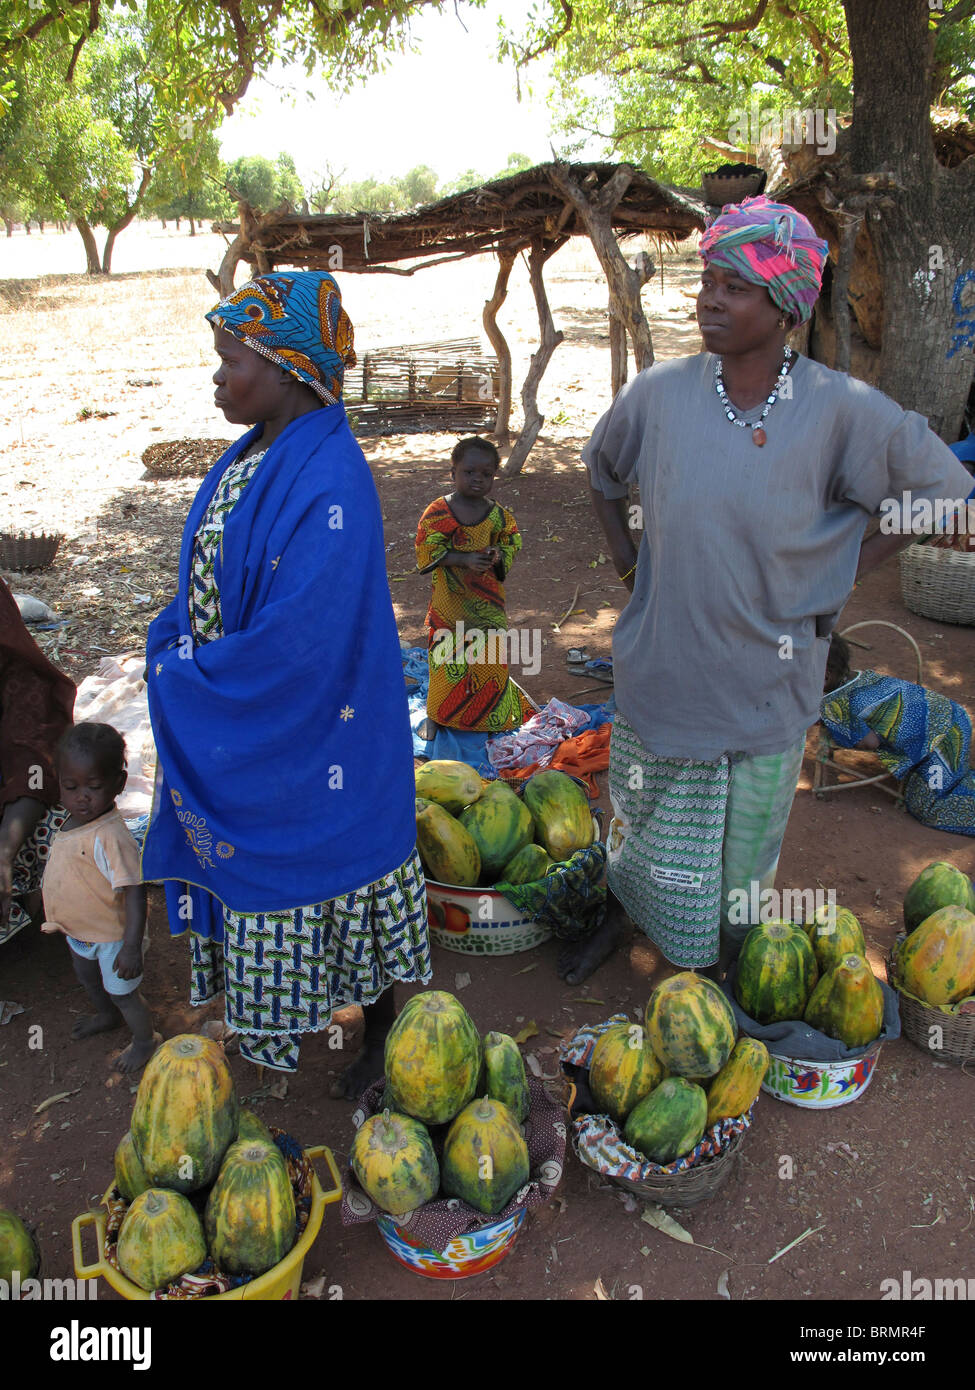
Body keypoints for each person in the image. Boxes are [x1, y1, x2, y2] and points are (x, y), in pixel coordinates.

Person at [560, 194, 975, 985]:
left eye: (734, 286)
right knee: (640, 817)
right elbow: (601, 476)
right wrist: (629, 569)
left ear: (783, 305)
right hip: (664, 664)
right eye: (708, 279)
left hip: (765, 675)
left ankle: (717, 965)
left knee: (739, 853)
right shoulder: (660, 393)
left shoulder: (838, 410)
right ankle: (622, 918)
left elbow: (942, 492)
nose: (710, 297)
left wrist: (846, 562)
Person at [141, 270, 430, 1092]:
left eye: (230, 358)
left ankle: (379, 1036)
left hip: (315, 728)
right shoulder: (257, 451)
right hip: (238, 699)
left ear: (287, 365)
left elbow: (301, 642)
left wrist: (189, 676)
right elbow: (211, 570)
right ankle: (308, 1016)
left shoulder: (331, 480)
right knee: (286, 881)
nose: (216, 375)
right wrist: (174, 640)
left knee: (340, 871)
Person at [40, 723, 156, 1073]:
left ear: (119, 785)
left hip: (112, 937)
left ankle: (145, 1041)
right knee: (87, 977)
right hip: (79, 933)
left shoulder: (111, 837)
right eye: (70, 787)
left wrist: (131, 947)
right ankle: (106, 1016)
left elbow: (135, 893)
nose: (81, 797)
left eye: (94, 787)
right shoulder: (69, 821)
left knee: (124, 993)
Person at [415, 436, 530, 733]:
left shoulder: (499, 516)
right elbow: (426, 548)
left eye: (486, 474)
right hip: (449, 606)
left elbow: (511, 541)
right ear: (453, 472)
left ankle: (490, 717)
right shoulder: (438, 512)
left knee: (488, 662)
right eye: (469, 472)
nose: (477, 479)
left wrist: (497, 554)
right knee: (446, 664)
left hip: (486, 608)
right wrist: (462, 559)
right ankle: (438, 716)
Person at [0, 579, 75, 946]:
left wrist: (3, 852)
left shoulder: (20, 677)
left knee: (72, 820)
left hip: (10, 798)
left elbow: (35, 757)